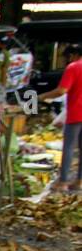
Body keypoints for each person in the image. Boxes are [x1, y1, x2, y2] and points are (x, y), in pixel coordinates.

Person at [39, 44, 81, 192]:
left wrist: (42, 96)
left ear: (74, 55)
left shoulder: (74, 67)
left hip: (76, 112)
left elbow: (62, 90)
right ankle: (78, 181)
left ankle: (63, 182)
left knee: (69, 147)